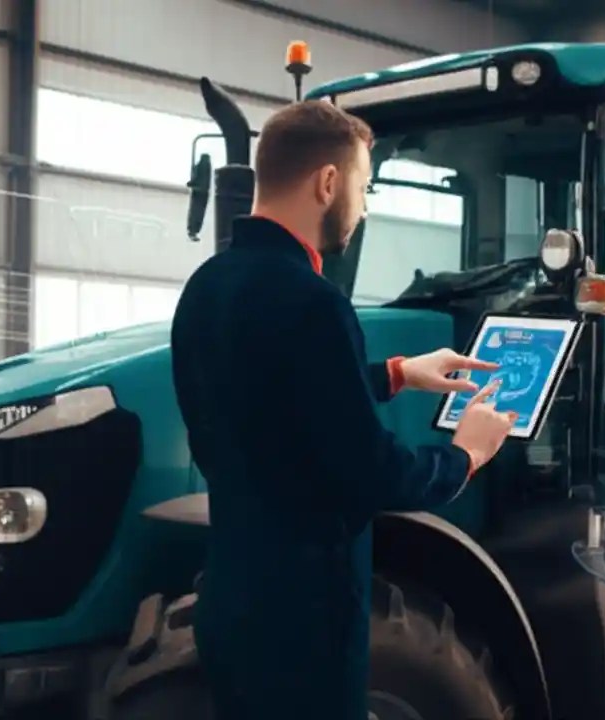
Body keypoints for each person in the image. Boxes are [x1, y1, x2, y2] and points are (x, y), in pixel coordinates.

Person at [169, 100, 518, 720]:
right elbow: (371, 472)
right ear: (328, 182)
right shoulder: (313, 301)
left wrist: (398, 374)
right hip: (306, 623)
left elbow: (272, 399)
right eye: (363, 185)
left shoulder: (205, 287)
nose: (363, 206)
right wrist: (467, 453)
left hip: (232, 603)